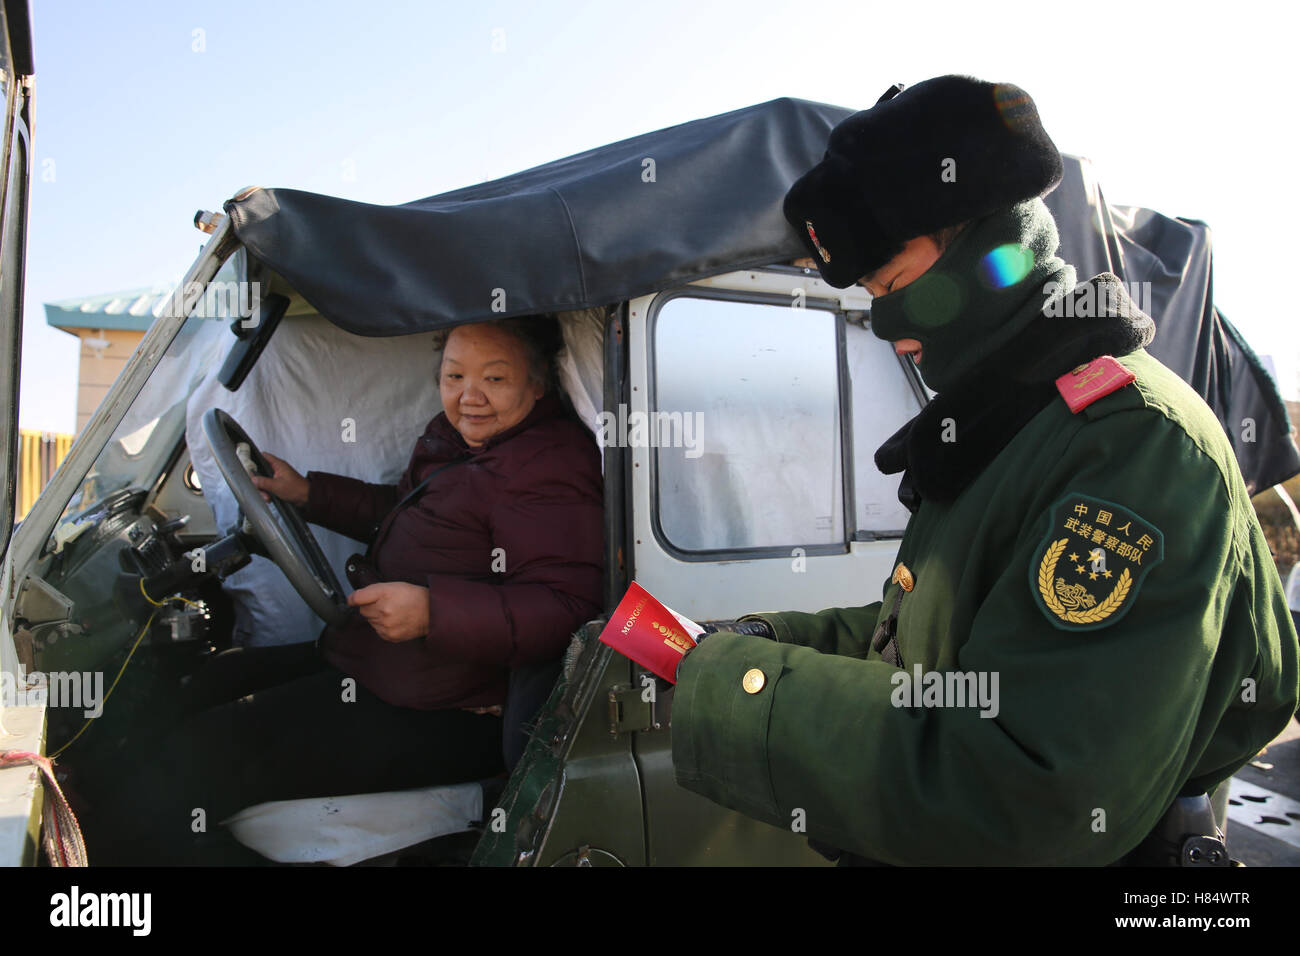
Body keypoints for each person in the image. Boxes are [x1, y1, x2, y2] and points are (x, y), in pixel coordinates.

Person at [668, 75, 1300, 866]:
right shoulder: (1014, 428)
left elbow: (1028, 782)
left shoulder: (1133, 443)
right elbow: (932, 640)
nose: (893, 333)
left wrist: (741, 689)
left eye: (895, 289)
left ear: (987, 250)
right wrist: (740, 640)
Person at [87, 316, 604, 864]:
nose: (469, 396)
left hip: (445, 710)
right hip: (378, 665)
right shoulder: (461, 442)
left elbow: (567, 606)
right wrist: (309, 493)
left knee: (188, 762)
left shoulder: (548, 465)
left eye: (495, 380)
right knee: (197, 687)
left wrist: (434, 612)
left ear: (538, 382)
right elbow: (405, 516)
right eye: (454, 377)